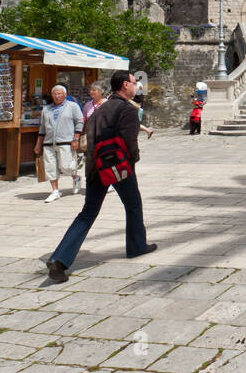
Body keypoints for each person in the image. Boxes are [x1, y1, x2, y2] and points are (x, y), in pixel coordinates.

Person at [45, 69, 156, 283]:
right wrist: (133, 161)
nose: (135, 86)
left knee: (88, 212)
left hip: (95, 166)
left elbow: (89, 135)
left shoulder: (100, 109)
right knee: (133, 205)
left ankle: (59, 259)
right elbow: (130, 142)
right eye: (133, 82)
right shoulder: (128, 109)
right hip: (118, 167)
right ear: (125, 85)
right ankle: (136, 246)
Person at [35, 84, 84, 202]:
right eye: (55, 94)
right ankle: (55, 191)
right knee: (50, 168)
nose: (57, 96)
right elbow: (42, 128)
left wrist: (76, 139)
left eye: (59, 94)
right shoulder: (46, 109)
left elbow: (79, 122)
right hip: (48, 143)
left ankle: (76, 177)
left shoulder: (72, 106)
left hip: (66, 141)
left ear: (65, 95)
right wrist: (38, 144)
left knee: (66, 166)